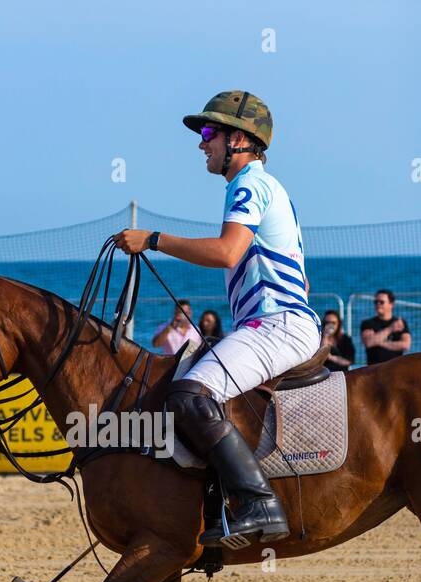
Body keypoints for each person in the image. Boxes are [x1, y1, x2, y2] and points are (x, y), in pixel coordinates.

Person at [115, 90, 319, 547]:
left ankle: (257, 502)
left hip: (277, 325)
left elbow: (227, 250)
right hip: (272, 323)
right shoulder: (255, 185)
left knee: (188, 395)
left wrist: (154, 239)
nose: (201, 143)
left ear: (240, 141)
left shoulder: (249, 184)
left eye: (209, 133)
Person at [360, 290, 411, 364]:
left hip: (395, 368)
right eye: (376, 302)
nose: (378, 304)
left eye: (381, 302)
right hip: (374, 369)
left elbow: (406, 345)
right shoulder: (367, 323)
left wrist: (379, 342)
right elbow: (368, 342)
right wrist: (390, 329)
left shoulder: (400, 323)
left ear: (391, 304)